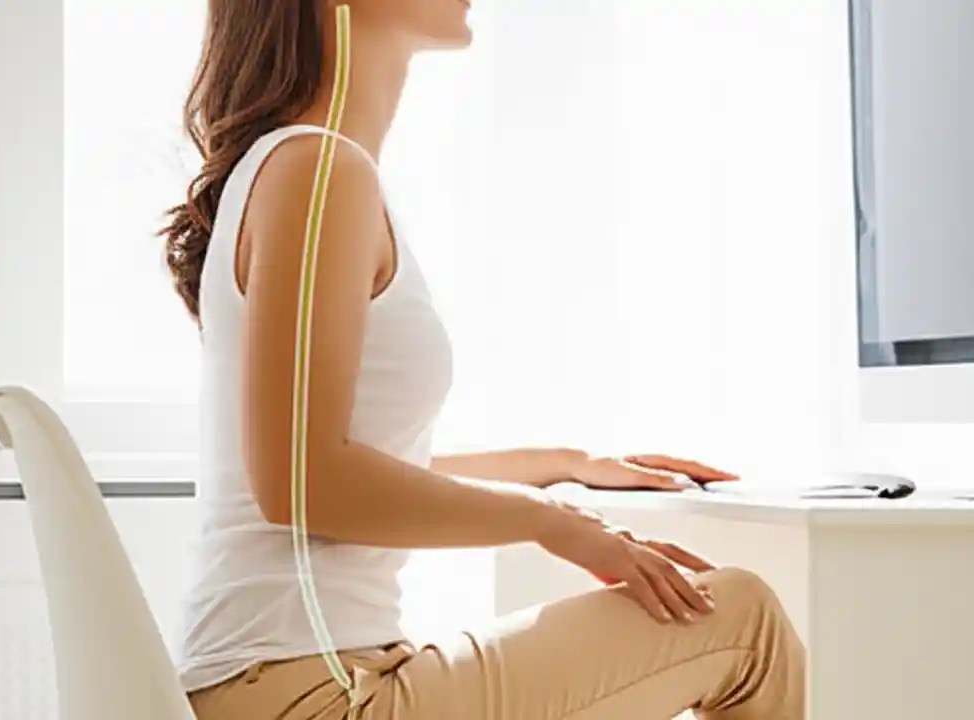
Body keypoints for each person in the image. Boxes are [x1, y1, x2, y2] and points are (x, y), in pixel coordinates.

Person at [161, 1, 804, 717]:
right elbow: (301, 484)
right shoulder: (316, 169)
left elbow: (347, 466)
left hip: (291, 681)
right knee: (744, 624)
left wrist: (561, 462)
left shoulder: (306, 165)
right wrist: (551, 519)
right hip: (313, 694)